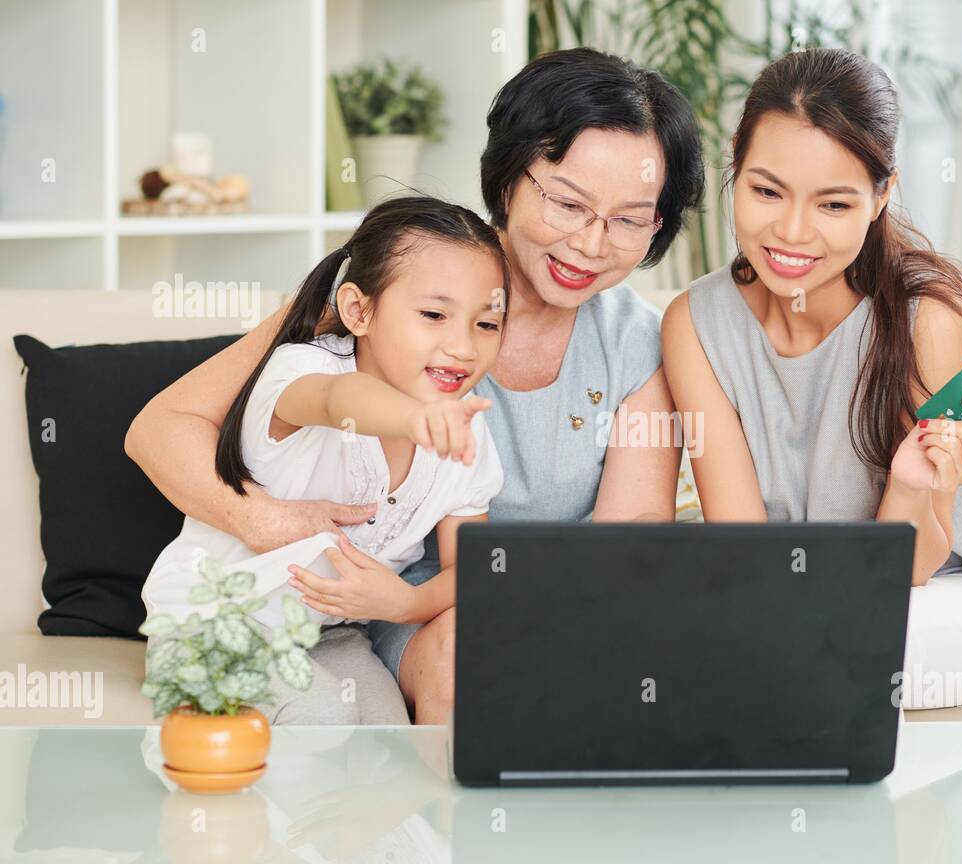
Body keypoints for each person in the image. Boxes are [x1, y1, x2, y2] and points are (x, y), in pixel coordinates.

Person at [126, 49, 706, 723]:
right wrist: (259, 519)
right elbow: (161, 429)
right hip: (406, 607)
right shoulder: (396, 287)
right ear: (511, 179)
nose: (591, 243)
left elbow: (630, 537)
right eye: (568, 203)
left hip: (561, 602)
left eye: (630, 219)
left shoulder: (640, 341)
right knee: (473, 655)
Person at [662, 48, 962, 708]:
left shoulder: (929, 324)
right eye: (766, 191)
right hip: (805, 601)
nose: (792, 232)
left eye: (833, 203)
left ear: (882, 195)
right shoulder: (695, 322)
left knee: (825, 651)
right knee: (745, 641)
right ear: (734, 173)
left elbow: (910, 565)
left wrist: (915, 485)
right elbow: (745, 553)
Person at [140, 197, 509, 724]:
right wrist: (412, 419)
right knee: (323, 727)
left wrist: (403, 604)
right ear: (359, 311)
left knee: (390, 745)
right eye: (433, 315)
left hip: (331, 634)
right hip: (213, 623)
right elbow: (341, 402)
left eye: (487, 325)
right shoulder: (302, 371)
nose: (463, 347)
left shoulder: (469, 434)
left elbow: (471, 569)